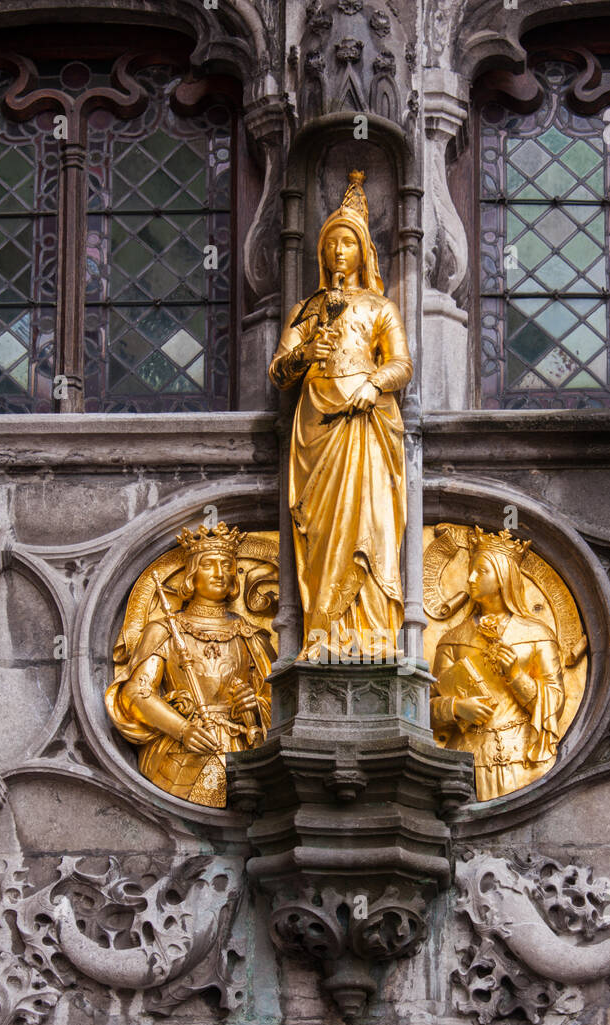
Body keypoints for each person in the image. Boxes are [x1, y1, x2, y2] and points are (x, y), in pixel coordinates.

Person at [269, 169, 412, 661]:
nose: (338, 253)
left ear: (363, 251)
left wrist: (373, 383)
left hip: (366, 424)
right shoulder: (305, 310)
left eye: (348, 244)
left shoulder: (380, 306)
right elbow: (279, 372)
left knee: (368, 522)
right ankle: (321, 631)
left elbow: (401, 364)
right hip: (316, 426)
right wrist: (306, 352)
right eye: (331, 244)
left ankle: (372, 634)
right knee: (325, 533)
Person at [105, 523, 274, 807]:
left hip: (243, 744)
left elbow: (280, 697)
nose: (220, 574)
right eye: (209, 565)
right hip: (183, 746)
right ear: (191, 574)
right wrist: (182, 729)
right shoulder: (164, 630)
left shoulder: (250, 636)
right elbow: (137, 693)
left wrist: (254, 705)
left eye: (227, 565)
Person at [431, 528, 566, 800]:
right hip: (464, 762)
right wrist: (457, 707)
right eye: (471, 570)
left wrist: (516, 675)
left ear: (503, 576)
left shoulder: (536, 635)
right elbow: (424, 706)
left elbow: (556, 700)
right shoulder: (453, 639)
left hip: (522, 759)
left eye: (481, 571)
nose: (470, 578)